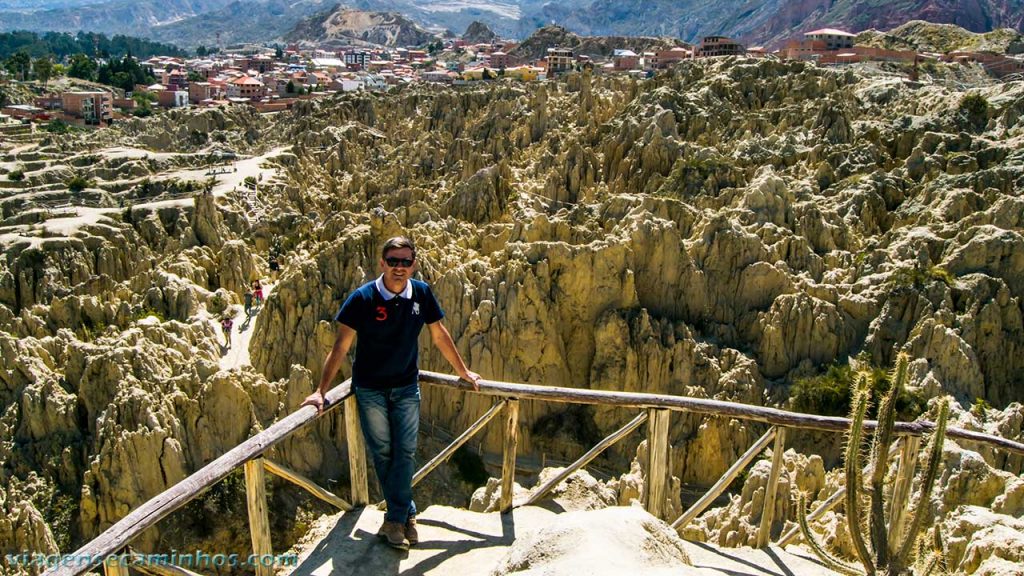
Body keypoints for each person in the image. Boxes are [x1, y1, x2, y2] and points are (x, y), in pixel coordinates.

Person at [301, 236, 480, 551]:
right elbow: (340, 346)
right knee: (384, 453)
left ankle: (395, 521)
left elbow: (439, 335)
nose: (399, 267)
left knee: (405, 452)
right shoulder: (363, 298)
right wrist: (320, 390)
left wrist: (462, 371)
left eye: (405, 261)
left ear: (414, 265)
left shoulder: (421, 294)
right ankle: (405, 515)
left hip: (406, 387)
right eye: (393, 261)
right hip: (369, 389)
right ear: (381, 263)